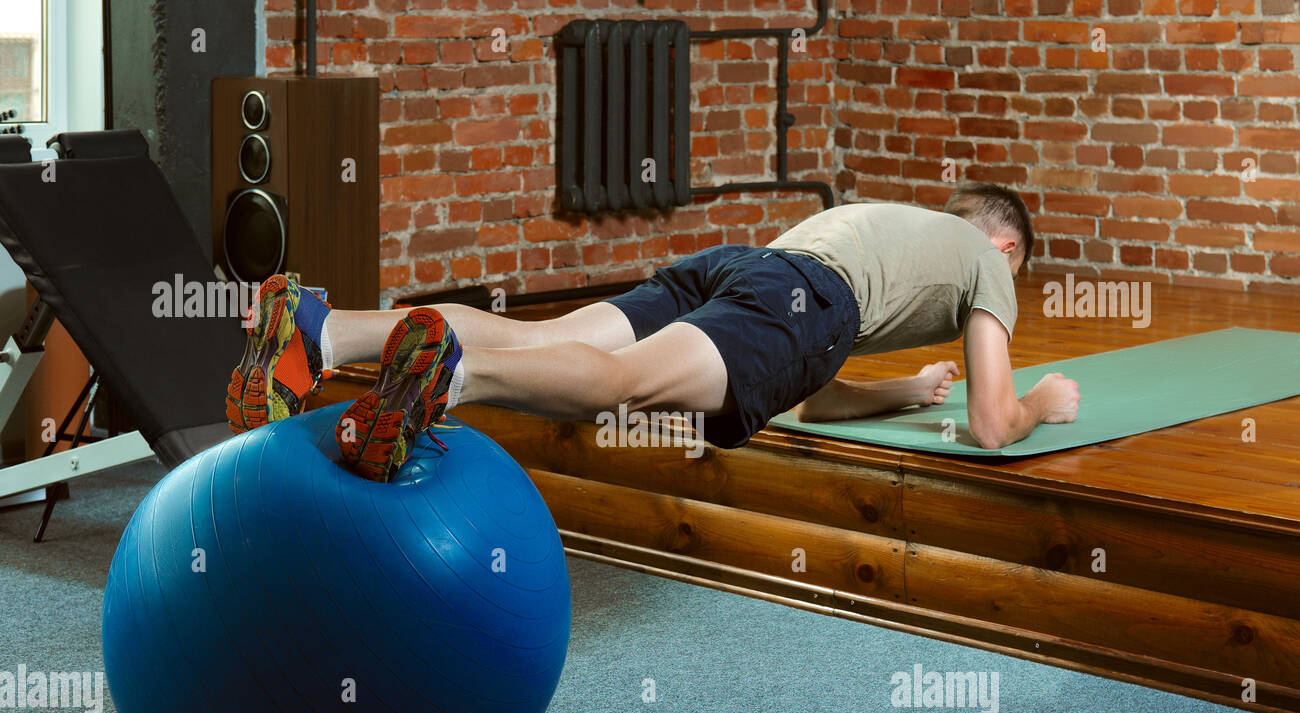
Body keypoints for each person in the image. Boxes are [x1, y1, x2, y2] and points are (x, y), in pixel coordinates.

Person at [226, 182, 1080, 481]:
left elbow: (809, 400)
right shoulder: (988, 257)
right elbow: (991, 422)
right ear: (1006, 245)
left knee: (545, 334)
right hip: (801, 299)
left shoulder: (888, 233)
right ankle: (447, 382)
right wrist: (1040, 399)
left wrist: (902, 389)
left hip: (747, 266)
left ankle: (323, 330)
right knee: (624, 384)